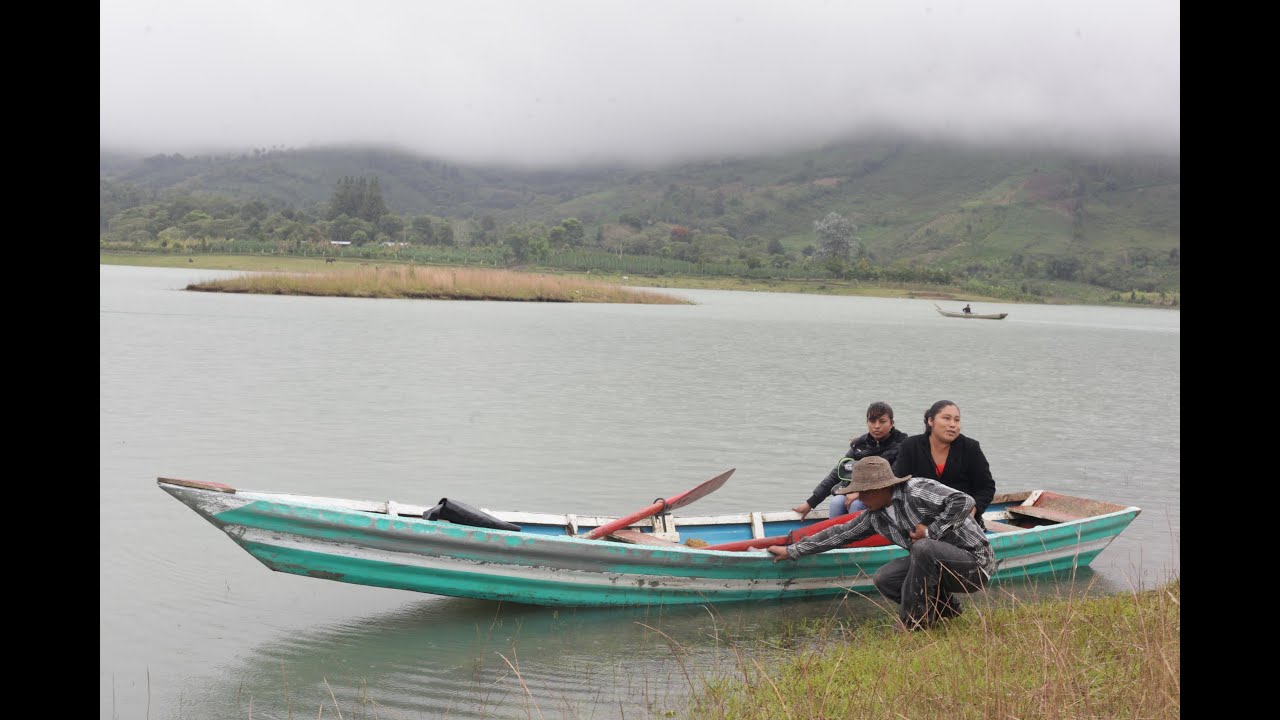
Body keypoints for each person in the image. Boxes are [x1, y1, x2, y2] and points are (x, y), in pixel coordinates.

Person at [768, 456, 995, 631]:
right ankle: (948, 612)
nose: (861, 499)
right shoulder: (875, 516)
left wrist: (931, 531)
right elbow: (837, 534)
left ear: (880, 488)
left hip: (974, 565)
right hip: (938, 567)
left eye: (864, 493)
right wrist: (792, 551)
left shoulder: (916, 490)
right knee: (885, 578)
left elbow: (963, 500)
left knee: (922, 547)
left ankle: (913, 625)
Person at [792, 401, 908, 519]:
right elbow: (837, 473)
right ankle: (834, 536)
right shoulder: (859, 445)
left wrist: (860, 494)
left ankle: (857, 536)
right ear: (867, 423)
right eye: (872, 421)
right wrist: (810, 503)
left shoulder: (903, 444)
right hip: (856, 492)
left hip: (887, 496)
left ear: (892, 423)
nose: (877, 426)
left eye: (882, 421)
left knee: (856, 504)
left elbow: (893, 477)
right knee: (837, 502)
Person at [892, 400, 995, 529]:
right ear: (931, 421)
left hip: (961, 521)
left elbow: (986, 487)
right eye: (946, 418)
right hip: (919, 521)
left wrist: (973, 510)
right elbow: (898, 485)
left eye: (957, 420)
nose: (953, 425)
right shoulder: (910, 446)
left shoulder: (970, 448)